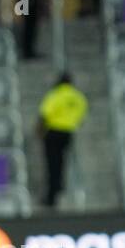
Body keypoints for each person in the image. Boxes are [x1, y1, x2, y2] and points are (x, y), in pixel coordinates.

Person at [37, 72, 87, 208]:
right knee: (62, 161)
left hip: (53, 133)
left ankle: (51, 196)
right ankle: (60, 185)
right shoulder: (78, 97)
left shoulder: (56, 94)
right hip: (67, 134)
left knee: (52, 164)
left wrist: (39, 131)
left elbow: (44, 113)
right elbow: (81, 116)